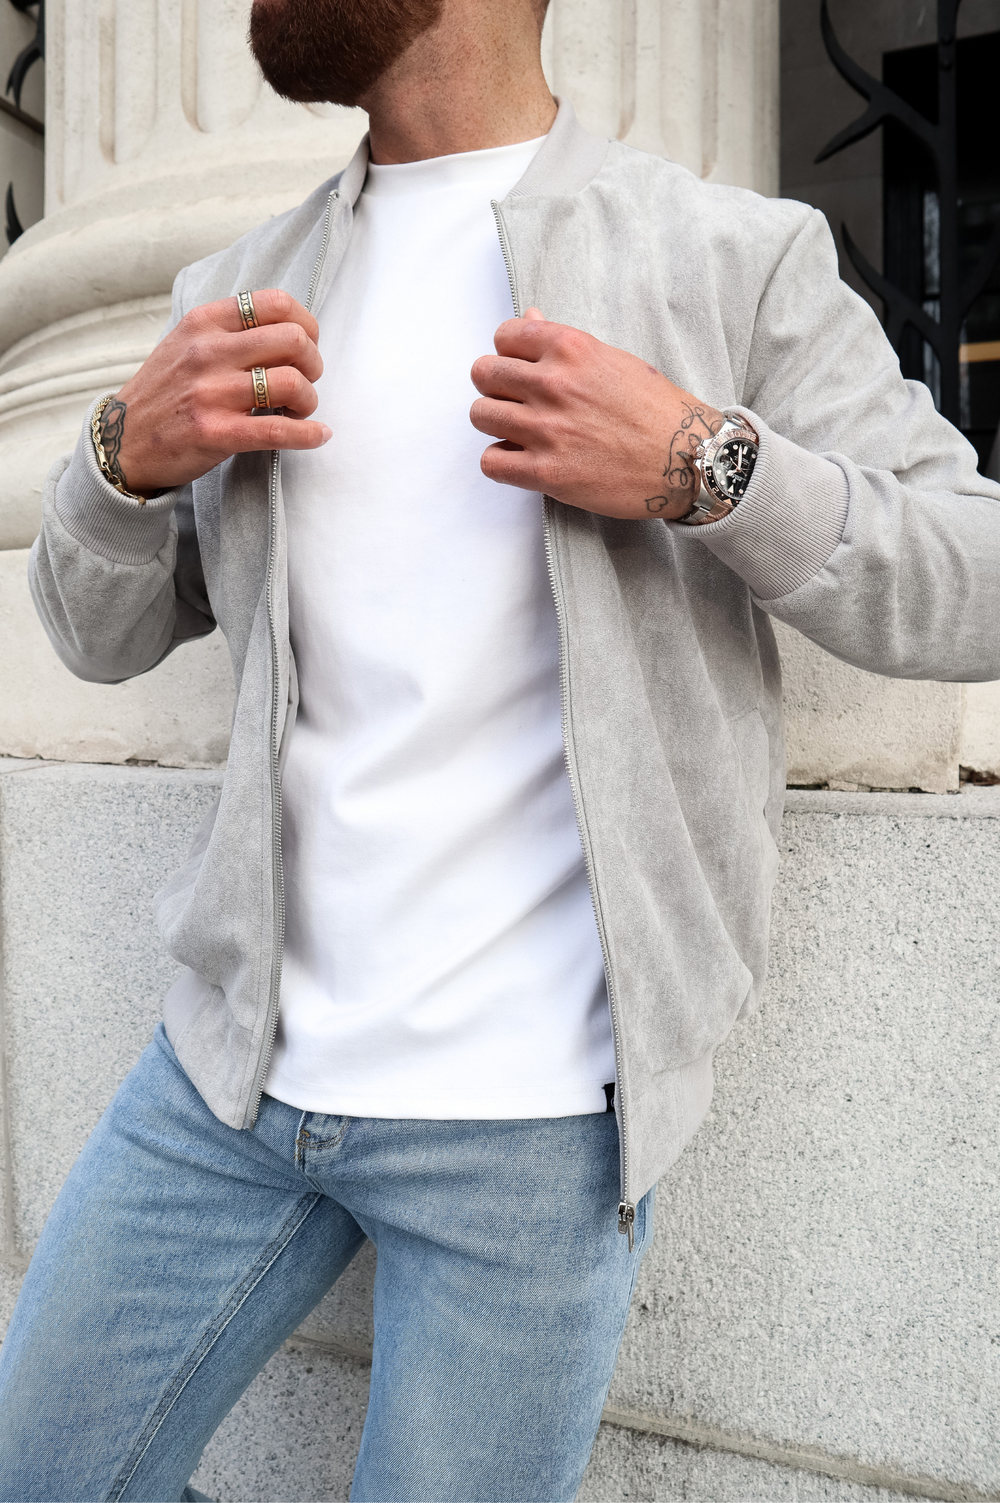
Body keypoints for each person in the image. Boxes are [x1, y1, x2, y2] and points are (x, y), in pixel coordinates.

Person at [3, 0, 1000, 1498]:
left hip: (532, 1140)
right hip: (225, 1087)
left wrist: (705, 466)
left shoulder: (729, 255)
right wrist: (113, 461)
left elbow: (975, 576)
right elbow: (98, 637)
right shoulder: (244, 286)